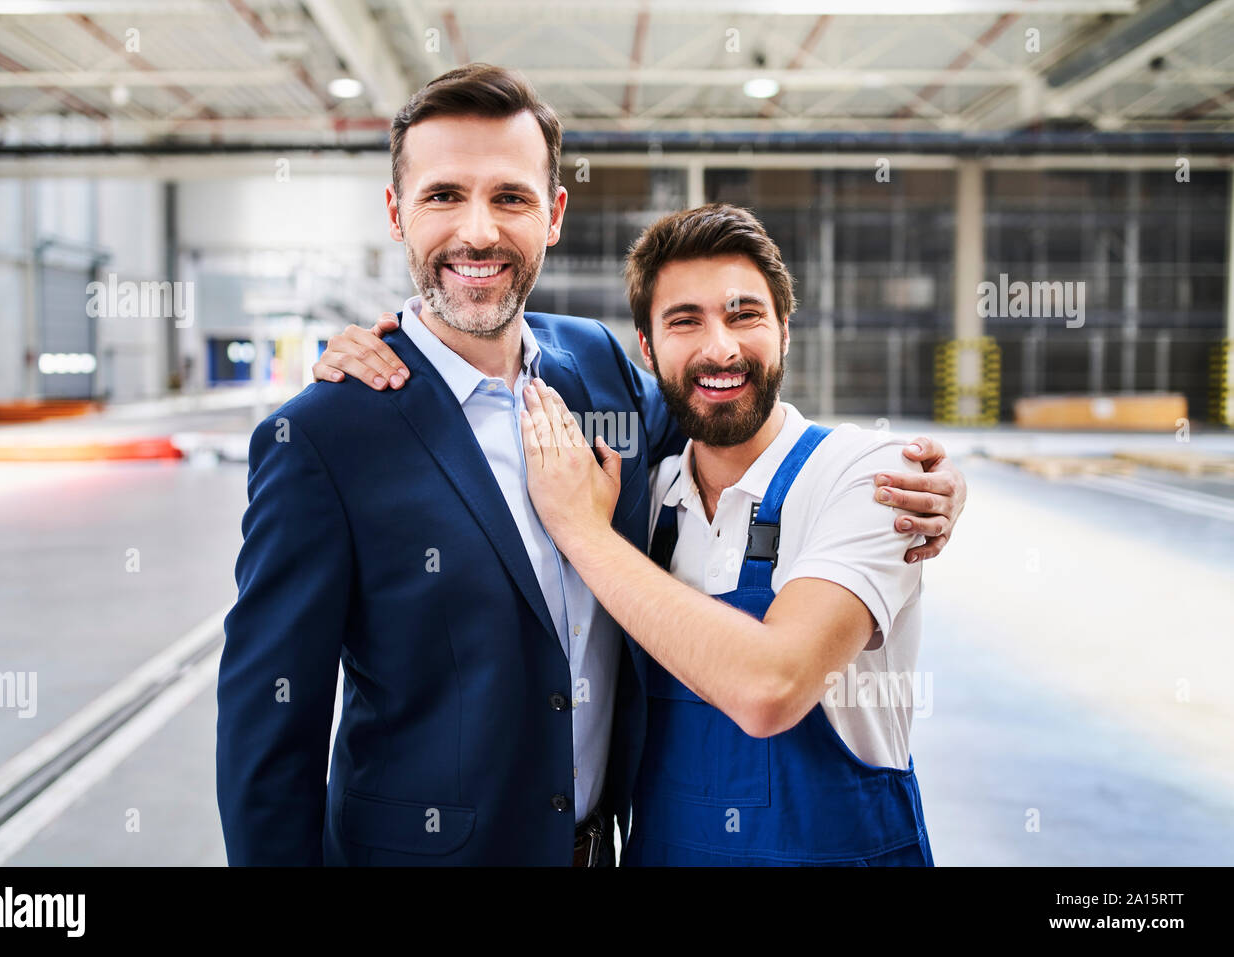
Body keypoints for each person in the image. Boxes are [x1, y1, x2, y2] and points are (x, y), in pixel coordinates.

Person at [219, 63, 964, 866]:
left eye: (511, 197)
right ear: (398, 214)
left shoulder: (597, 366)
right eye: (444, 196)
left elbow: (725, 415)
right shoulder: (326, 436)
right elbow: (268, 737)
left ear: (554, 214)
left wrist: (931, 481)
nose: (478, 232)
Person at [515, 203, 938, 865]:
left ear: (785, 331)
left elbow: (771, 689)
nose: (720, 348)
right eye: (685, 321)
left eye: (744, 315)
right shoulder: (646, 498)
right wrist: (398, 341)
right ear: (648, 348)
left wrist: (583, 531)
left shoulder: (868, 478)